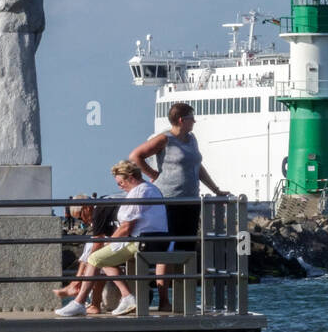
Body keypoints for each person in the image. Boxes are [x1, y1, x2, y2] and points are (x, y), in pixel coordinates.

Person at [128, 103, 225, 313]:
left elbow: (197, 167)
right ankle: (164, 300)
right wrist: (154, 175)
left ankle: (184, 301)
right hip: (168, 201)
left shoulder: (192, 140)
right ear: (181, 119)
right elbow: (135, 156)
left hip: (190, 201)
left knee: (185, 251)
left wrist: (215, 189)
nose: (195, 121)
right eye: (191, 117)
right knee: (166, 251)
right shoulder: (165, 139)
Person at [56, 160, 169, 317]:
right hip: (155, 240)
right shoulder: (151, 189)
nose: (119, 186)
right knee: (102, 258)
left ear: (131, 177)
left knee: (95, 258)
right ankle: (118, 298)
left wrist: (110, 242)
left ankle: (80, 302)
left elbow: (126, 227)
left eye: (120, 182)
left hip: (143, 242)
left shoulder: (139, 192)